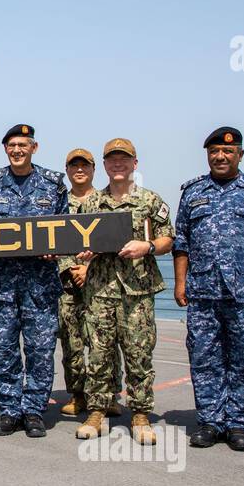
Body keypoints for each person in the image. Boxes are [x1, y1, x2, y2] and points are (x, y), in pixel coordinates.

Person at [173, 127, 244, 452]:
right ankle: (210, 421)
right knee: (204, 358)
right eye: (214, 152)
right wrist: (180, 282)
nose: (220, 156)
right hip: (202, 292)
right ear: (207, 155)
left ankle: (238, 423)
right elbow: (182, 242)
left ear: (239, 154)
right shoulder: (192, 192)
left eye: (228, 151)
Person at [0, 124, 67, 438]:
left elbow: (67, 230)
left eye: (23, 144)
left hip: (41, 286)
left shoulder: (53, 185)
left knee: (40, 350)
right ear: (5, 149)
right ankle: (10, 410)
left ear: (34, 148)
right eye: (12, 145)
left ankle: (34, 410)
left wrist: (58, 252)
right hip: (3, 287)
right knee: (4, 349)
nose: (17, 150)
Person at [73, 139, 174, 444]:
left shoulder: (150, 201)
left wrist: (149, 246)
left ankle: (140, 413)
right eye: (112, 160)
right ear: (104, 166)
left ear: (135, 164)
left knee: (138, 353)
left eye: (124, 160)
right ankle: (98, 411)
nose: (118, 165)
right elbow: (74, 241)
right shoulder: (90, 204)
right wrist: (83, 254)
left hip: (137, 291)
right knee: (99, 354)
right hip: (100, 290)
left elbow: (168, 238)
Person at [56, 149, 121, 418]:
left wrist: (88, 268)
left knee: (104, 342)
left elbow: (113, 242)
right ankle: (78, 394)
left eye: (85, 165)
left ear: (94, 169)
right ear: (67, 170)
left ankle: (110, 394)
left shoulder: (105, 201)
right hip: (66, 283)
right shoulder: (57, 203)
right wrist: (68, 269)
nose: (79, 169)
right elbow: (48, 239)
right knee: (71, 342)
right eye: (74, 165)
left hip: (101, 284)